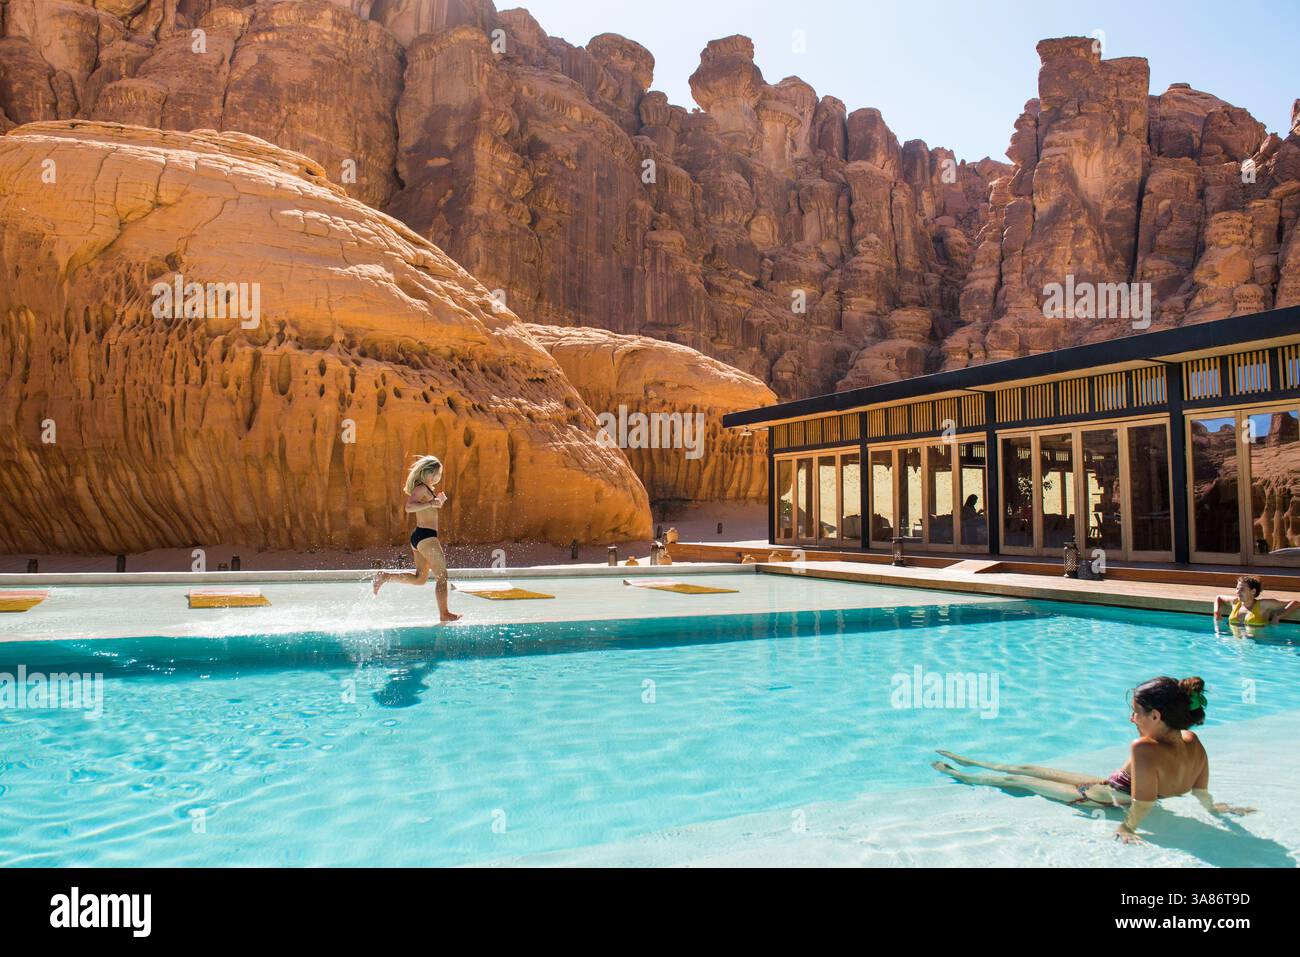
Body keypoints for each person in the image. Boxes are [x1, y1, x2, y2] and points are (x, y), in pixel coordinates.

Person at [931, 676, 1254, 843]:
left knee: (1020, 779)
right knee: (1026, 768)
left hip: (1104, 798)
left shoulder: (1144, 748)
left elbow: (1140, 803)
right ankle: (974, 764)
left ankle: (963, 774)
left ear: (1155, 715)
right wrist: (1217, 810)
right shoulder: (1191, 740)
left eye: (1136, 713)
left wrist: (1128, 829)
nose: (1132, 719)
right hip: (1109, 784)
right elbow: (1200, 790)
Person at [372, 454, 461, 623]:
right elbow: (409, 507)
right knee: (442, 575)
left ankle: (385, 576)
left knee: (420, 579)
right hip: (426, 537)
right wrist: (431, 503)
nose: (439, 477)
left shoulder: (428, 490)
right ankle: (444, 613)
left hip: (420, 537)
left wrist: (437, 502)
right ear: (430, 473)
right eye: (438, 474)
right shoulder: (421, 488)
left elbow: (426, 509)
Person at [1214, 575, 1297, 626]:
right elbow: (1218, 597)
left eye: (1242, 589)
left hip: (1258, 646)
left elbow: (1295, 603)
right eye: (1237, 588)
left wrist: (1278, 617)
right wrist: (1216, 612)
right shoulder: (1235, 602)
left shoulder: (1263, 604)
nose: (1238, 592)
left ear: (1253, 591)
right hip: (1237, 647)